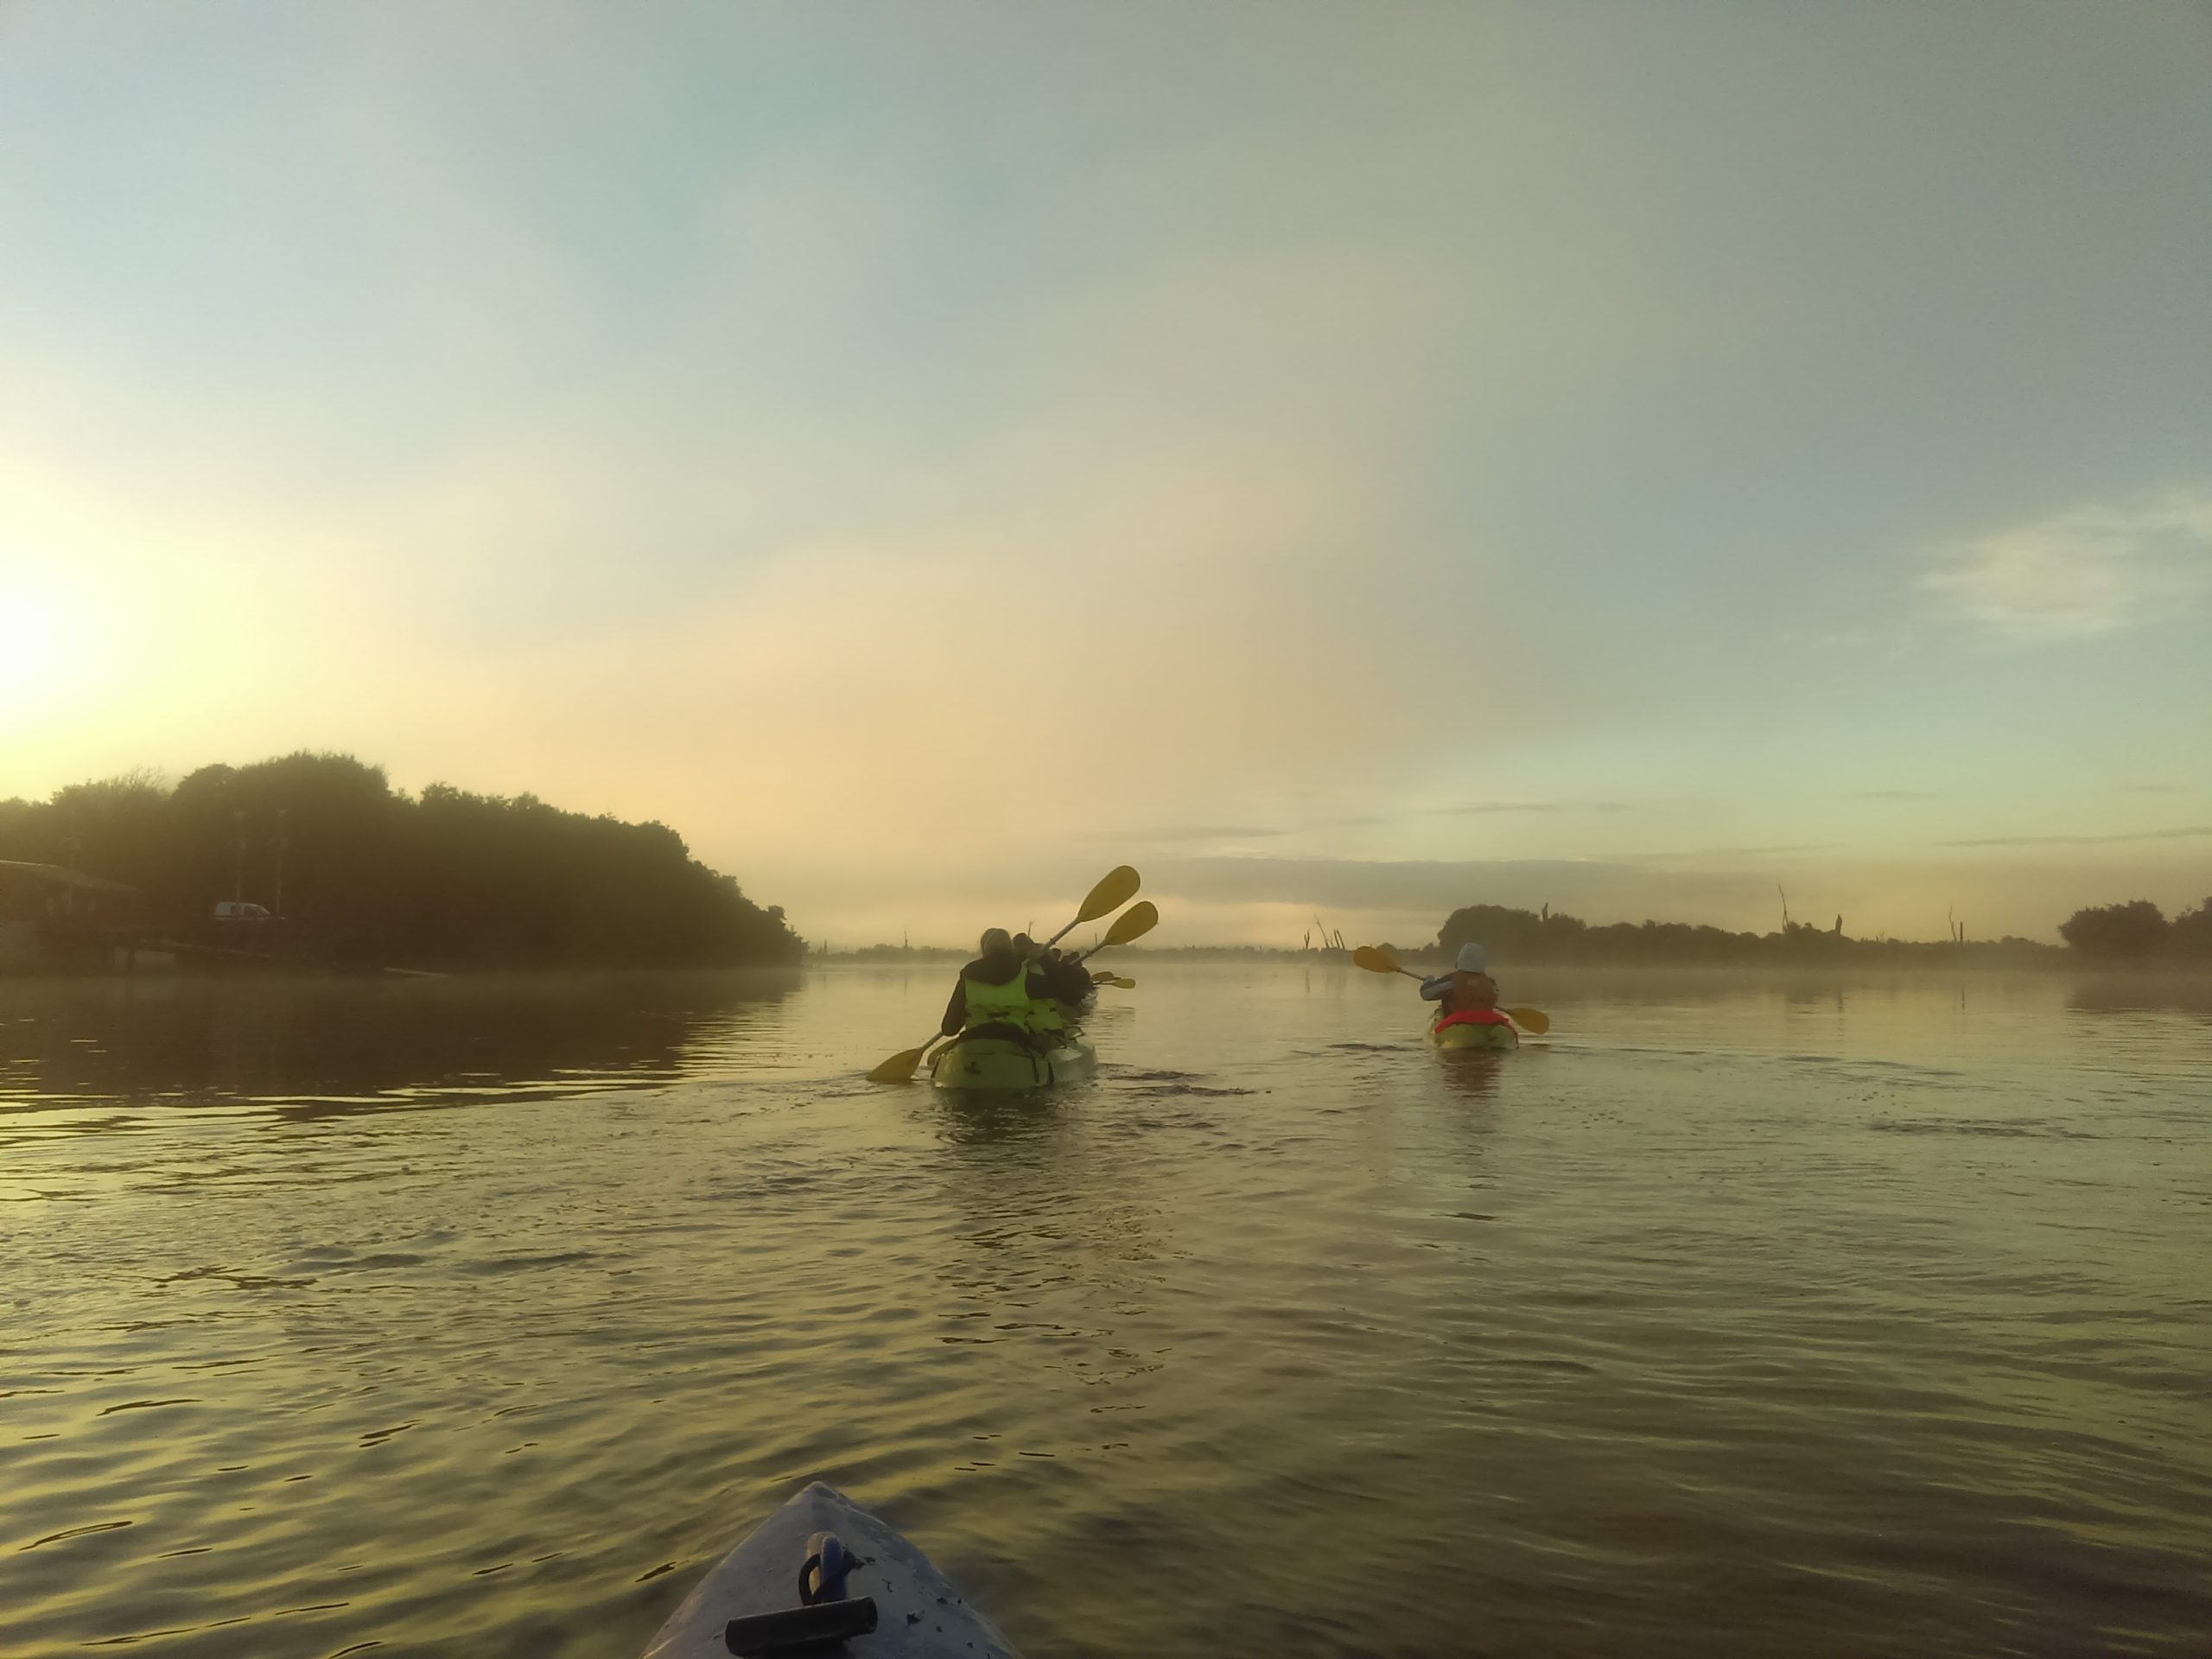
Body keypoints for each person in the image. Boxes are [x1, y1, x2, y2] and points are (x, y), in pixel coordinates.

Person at [941, 928, 1068, 1046]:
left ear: (985, 949)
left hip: (974, 1041)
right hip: (1017, 1042)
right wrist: (1045, 959)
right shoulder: (1024, 976)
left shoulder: (968, 976)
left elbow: (949, 1029)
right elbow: (1063, 990)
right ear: (1011, 949)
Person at [1421, 942, 1510, 1028]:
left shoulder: (1451, 981)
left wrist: (1429, 980)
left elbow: (1426, 993)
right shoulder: (1491, 984)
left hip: (1456, 1025)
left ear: (1460, 959)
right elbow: (1494, 998)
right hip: (1487, 1024)